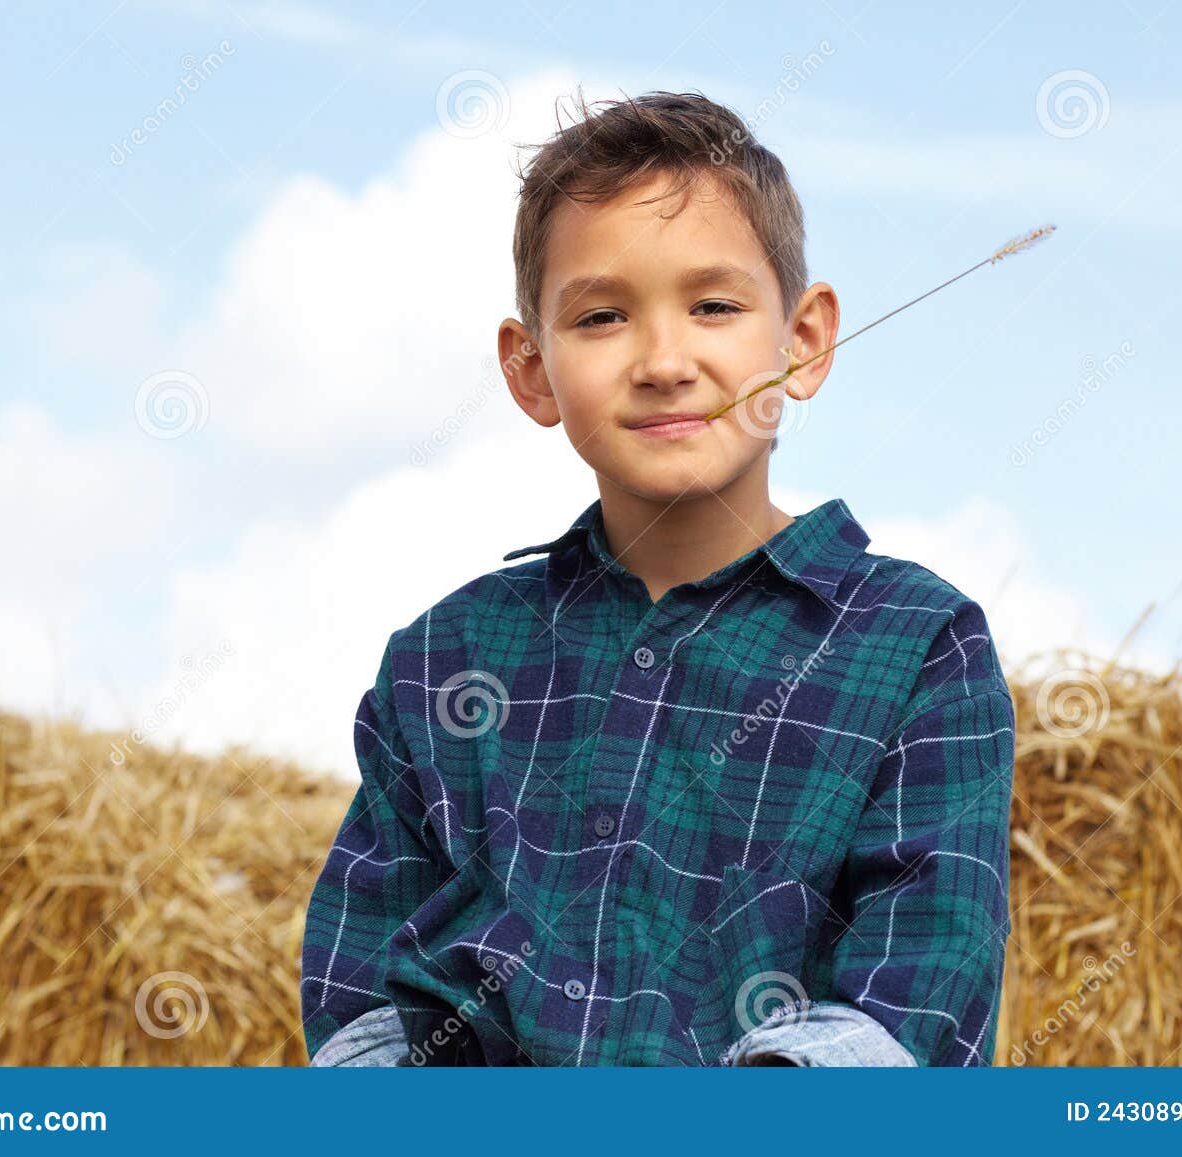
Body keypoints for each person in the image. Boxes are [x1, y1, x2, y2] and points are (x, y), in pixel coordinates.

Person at [299, 89, 1015, 1067]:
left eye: (713, 306)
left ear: (802, 342)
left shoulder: (916, 645)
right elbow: (366, 1005)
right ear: (531, 368)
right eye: (602, 316)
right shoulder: (439, 663)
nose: (663, 360)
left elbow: (916, 1003)